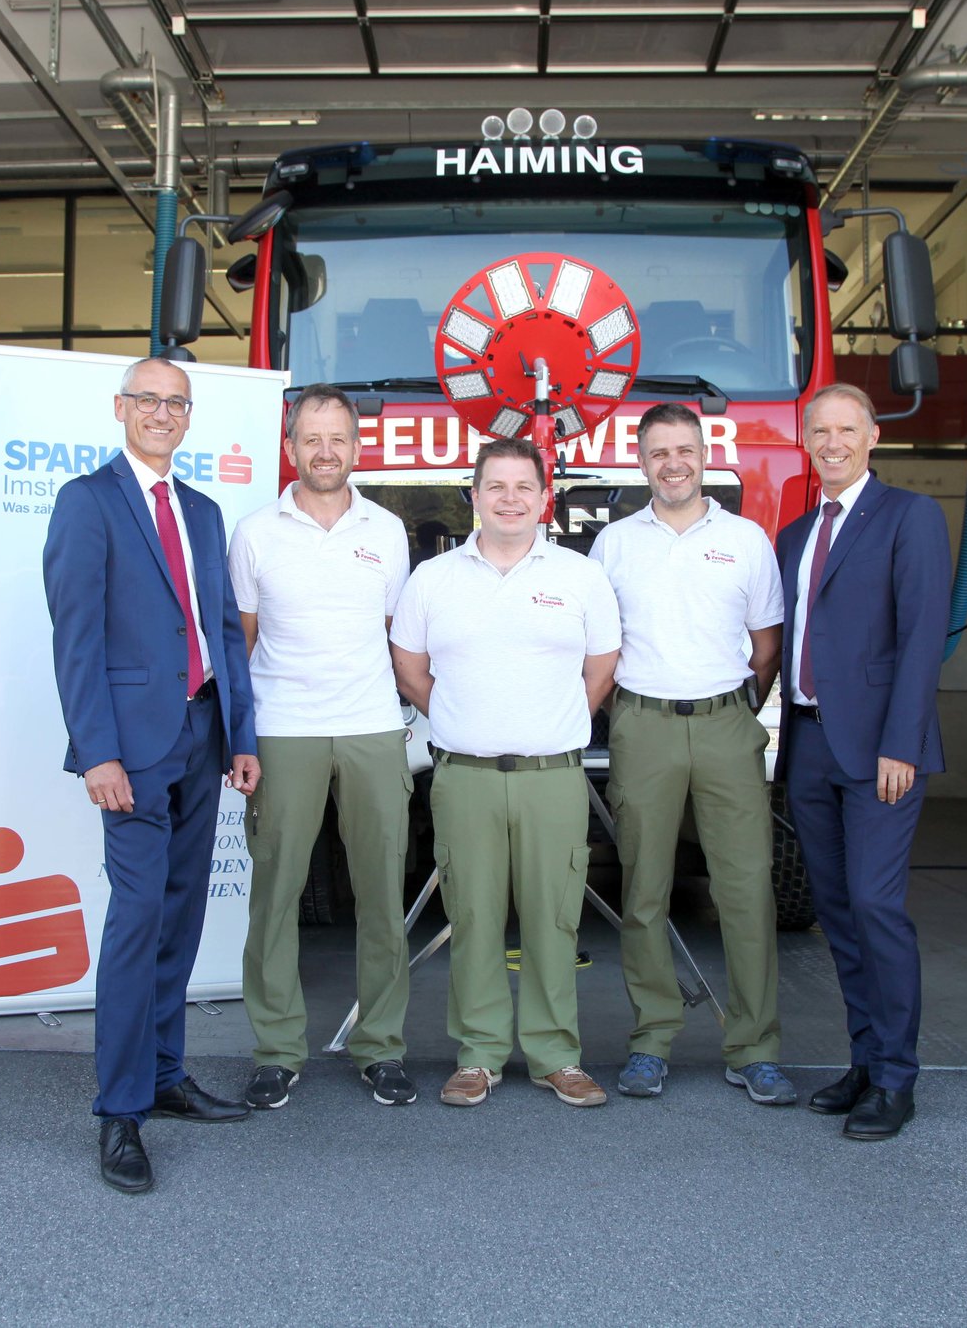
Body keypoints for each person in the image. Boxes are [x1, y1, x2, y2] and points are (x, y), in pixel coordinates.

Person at [43, 356, 261, 1194]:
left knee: (178, 914)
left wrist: (239, 733)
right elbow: (77, 641)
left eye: (175, 403)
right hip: (129, 748)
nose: (162, 413)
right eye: (148, 400)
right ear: (121, 408)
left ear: (188, 415)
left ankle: (167, 1075)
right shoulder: (87, 502)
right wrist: (96, 752)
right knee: (136, 917)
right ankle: (120, 1110)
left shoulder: (203, 512)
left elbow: (222, 635)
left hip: (202, 735)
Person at [390, 438, 621, 1108]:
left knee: (555, 917)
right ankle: (479, 1053)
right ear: (474, 495)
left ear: (544, 496)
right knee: (474, 914)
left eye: (524, 486)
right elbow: (409, 665)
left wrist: (553, 721)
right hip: (465, 776)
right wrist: (459, 715)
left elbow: (602, 666)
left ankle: (556, 1053)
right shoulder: (433, 579)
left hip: (554, 776)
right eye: (496, 486)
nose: (511, 498)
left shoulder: (579, 576)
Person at [590, 402, 792, 1105]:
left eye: (685, 449)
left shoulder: (746, 541)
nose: (673, 463)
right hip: (642, 725)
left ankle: (754, 1046)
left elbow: (767, 646)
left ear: (703, 454)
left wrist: (734, 708)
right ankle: (651, 1039)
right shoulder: (613, 544)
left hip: (725, 724)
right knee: (644, 890)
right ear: (640, 461)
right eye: (658, 452)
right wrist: (629, 714)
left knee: (746, 889)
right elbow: (597, 646)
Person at [230, 384, 417, 1110]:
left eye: (338, 438)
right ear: (291, 447)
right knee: (275, 896)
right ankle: (277, 1050)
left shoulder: (389, 530)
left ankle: (382, 1047)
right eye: (312, 438)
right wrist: (238, 735)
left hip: (372, 725)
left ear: (357, 447)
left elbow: (401, 636)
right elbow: (238, 642)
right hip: (283, 727)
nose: (326, 451)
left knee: (381, 893)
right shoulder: (254, 532)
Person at [773, 382, 950, 1141]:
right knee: (839, 913)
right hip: (810, 743)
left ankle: (899, 1078)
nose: (833, 442)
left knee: (877, 907)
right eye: (820, 431)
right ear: (806, 440)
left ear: (873, 436)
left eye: (847, 429)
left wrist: (900, 744)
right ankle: (865, 1062)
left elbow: (921, 638)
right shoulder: (794, 534)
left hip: (880, 750)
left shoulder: (910, 516)